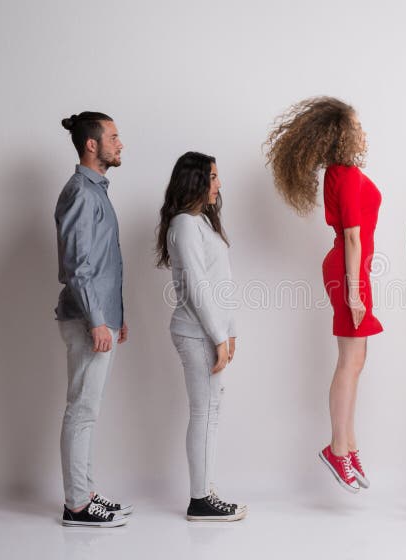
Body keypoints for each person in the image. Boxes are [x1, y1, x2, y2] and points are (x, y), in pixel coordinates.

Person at [266, 96, 382, 493]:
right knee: (350, 361)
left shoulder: (343, 171)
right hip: (348, 271)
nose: (364, 133)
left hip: (354, 270)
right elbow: (351, 236)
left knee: (356, 359)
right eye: (357, 126)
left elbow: (357, 237)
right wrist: (353, 291)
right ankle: (337, 449)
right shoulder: (344, 175)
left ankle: (348, 447)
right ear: (343, 135)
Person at [156, 151, 247, 521]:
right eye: (213, 176)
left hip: (210, 333)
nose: (219, 183)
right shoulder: (184, 224)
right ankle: (200, 500)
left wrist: (231, 331)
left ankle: (205, 491)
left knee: (210, 413)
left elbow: (221, 281)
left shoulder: (201, 223)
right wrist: (218, 336)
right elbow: (196, 287)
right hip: (196, 334)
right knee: (204, 413)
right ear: (195, 180)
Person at [55, 112, 132, 527]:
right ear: (92, 144)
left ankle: (83, 492)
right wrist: (97, 319)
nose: (121, 144)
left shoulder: (95, 191)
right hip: (87, 321)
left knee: (87, 410)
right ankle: (77, 506)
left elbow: (103, 263)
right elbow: (77, 266)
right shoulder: (82, 193)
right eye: (114, 138)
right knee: (81, 411)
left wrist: (114, 317)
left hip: (97, 318)